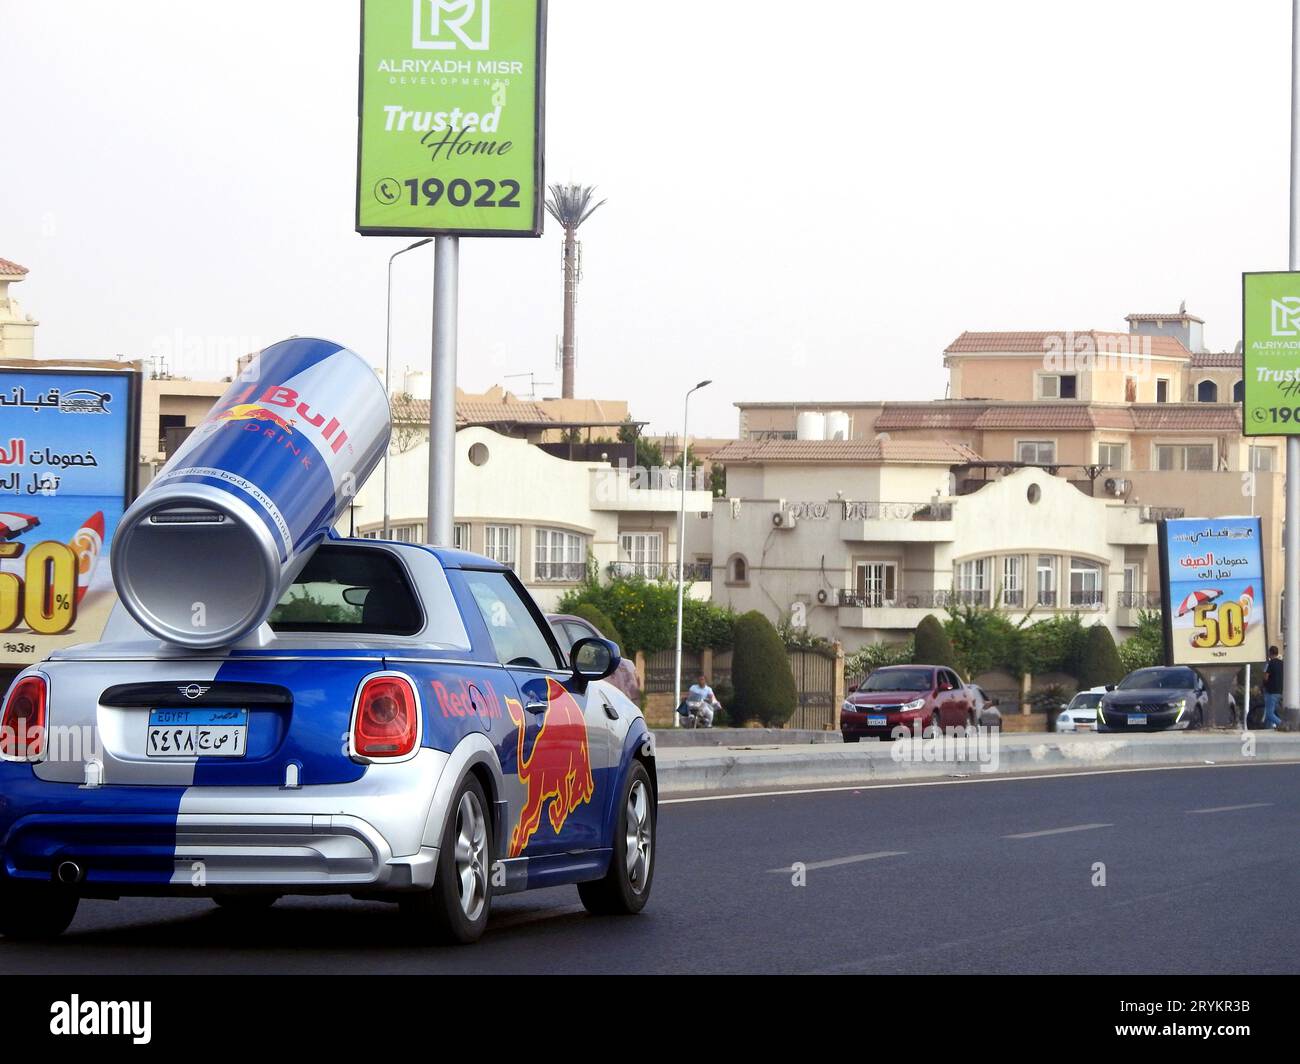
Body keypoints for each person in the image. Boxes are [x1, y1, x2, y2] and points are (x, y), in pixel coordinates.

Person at [1263, 646, 1284, 729]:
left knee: (1269, 714)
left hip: (1271, 691)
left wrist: (1264, 683)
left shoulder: (1270, 663)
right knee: (1272, 711)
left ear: (1270, 653)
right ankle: (1269, 728)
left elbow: (1266, 677)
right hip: (1279, 691)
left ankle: (1283, 724)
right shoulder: (1282, 663)